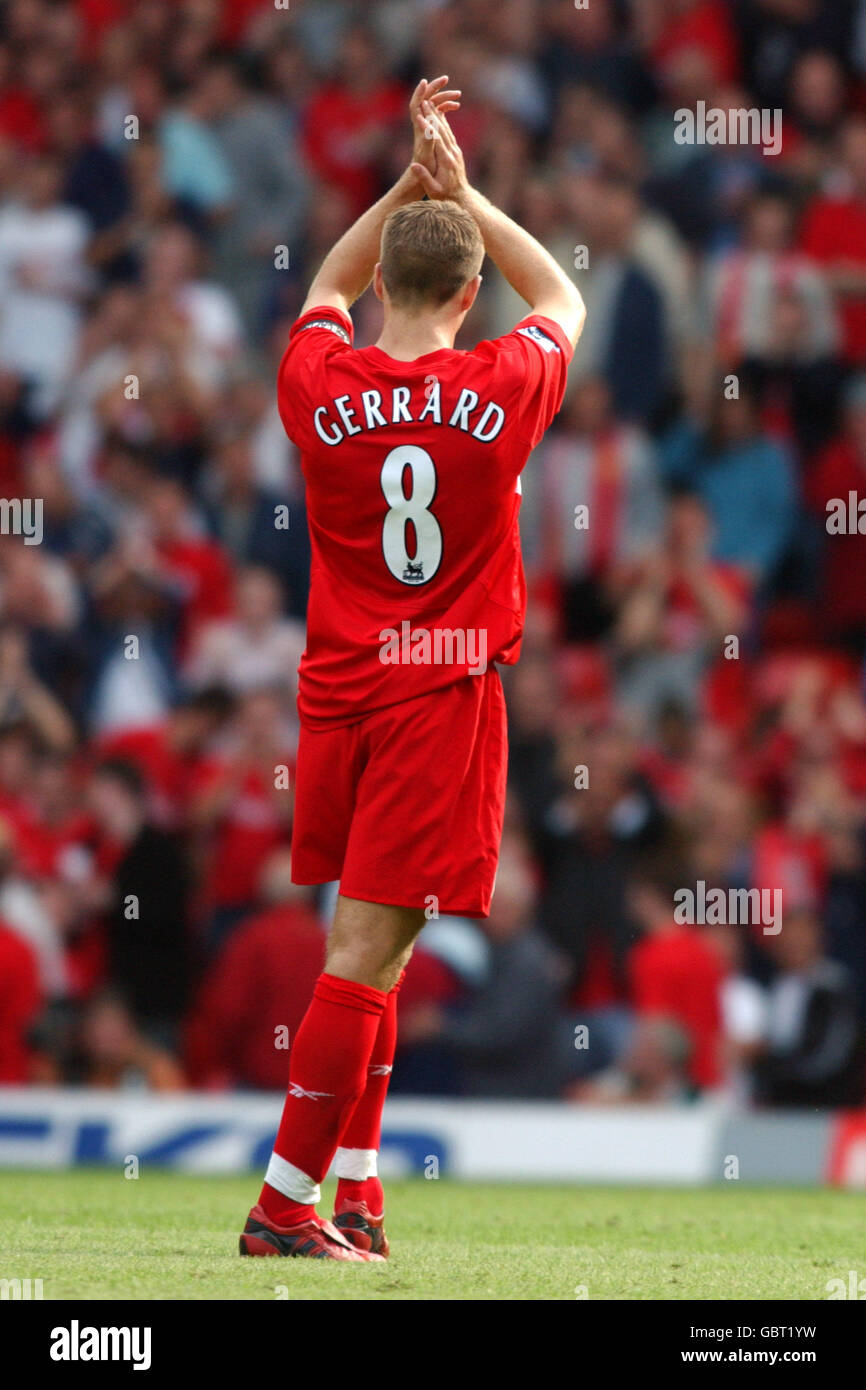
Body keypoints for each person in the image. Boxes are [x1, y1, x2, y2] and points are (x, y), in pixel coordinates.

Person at [238, 77, 585, 1262]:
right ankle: (286, 1202)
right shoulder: (502, 383)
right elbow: (561, 294)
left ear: (387, 277)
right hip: (438, 693)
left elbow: (323, 289)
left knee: (375, 945)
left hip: (338, 693)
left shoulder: (318, 381)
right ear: (468, 291)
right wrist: (464, 188)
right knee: (364, 954)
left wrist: (405, 183)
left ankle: (357, 1190)